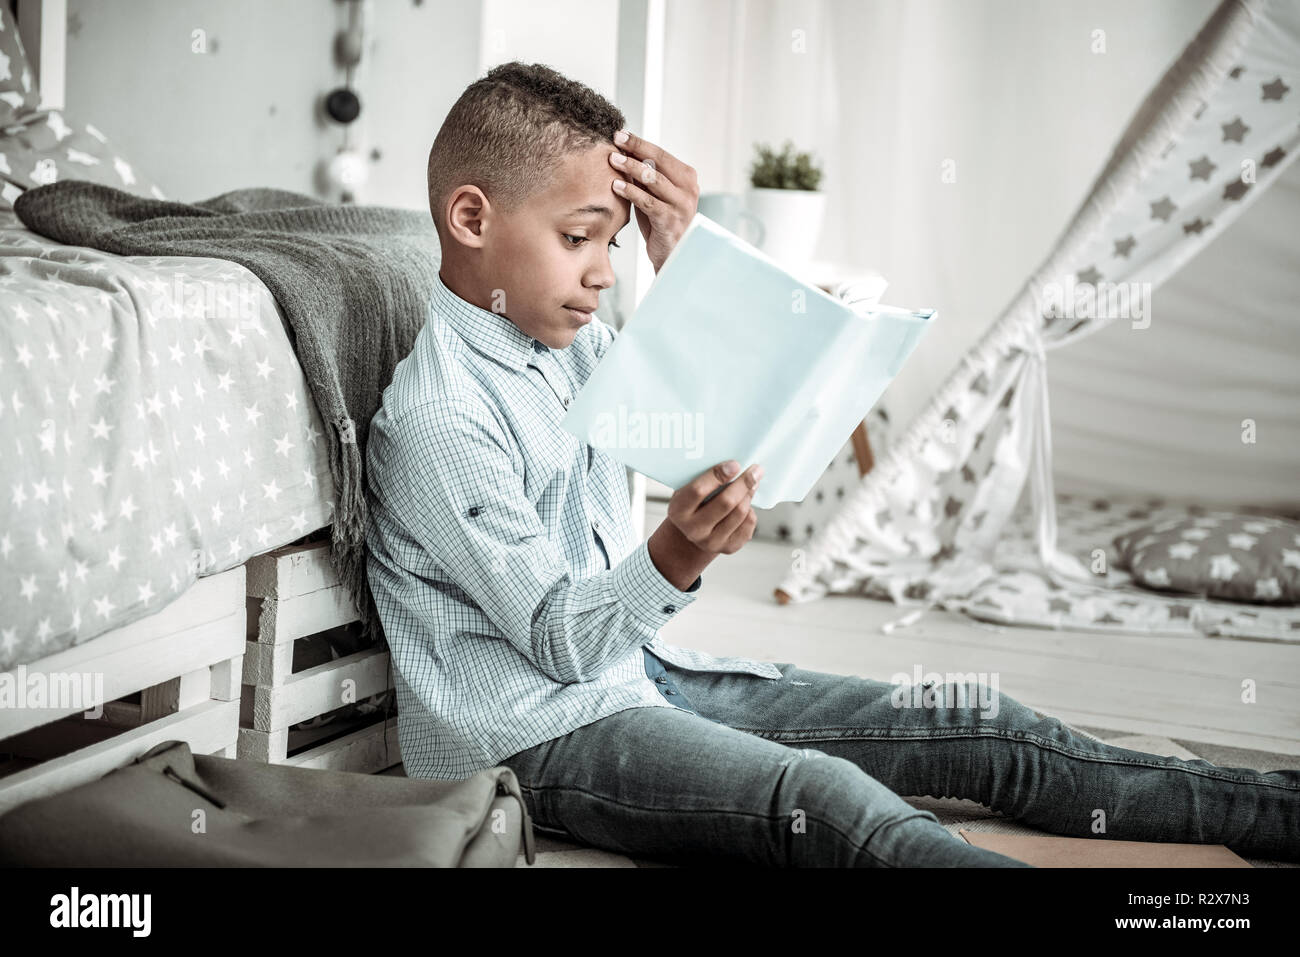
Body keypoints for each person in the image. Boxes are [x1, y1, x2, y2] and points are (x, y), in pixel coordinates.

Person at [362, 61, 1299, 867]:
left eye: (611, 242)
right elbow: (558, 640)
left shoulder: (574, 346)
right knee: (826, 801)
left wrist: (685, 256)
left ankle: (1275, 810)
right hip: (535, 735)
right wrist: (675, 559)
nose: (606, 271)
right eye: (578, 239)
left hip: (639, 671)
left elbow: (703, 416)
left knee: (971, 721)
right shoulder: (441, 418)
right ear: (473, 218)